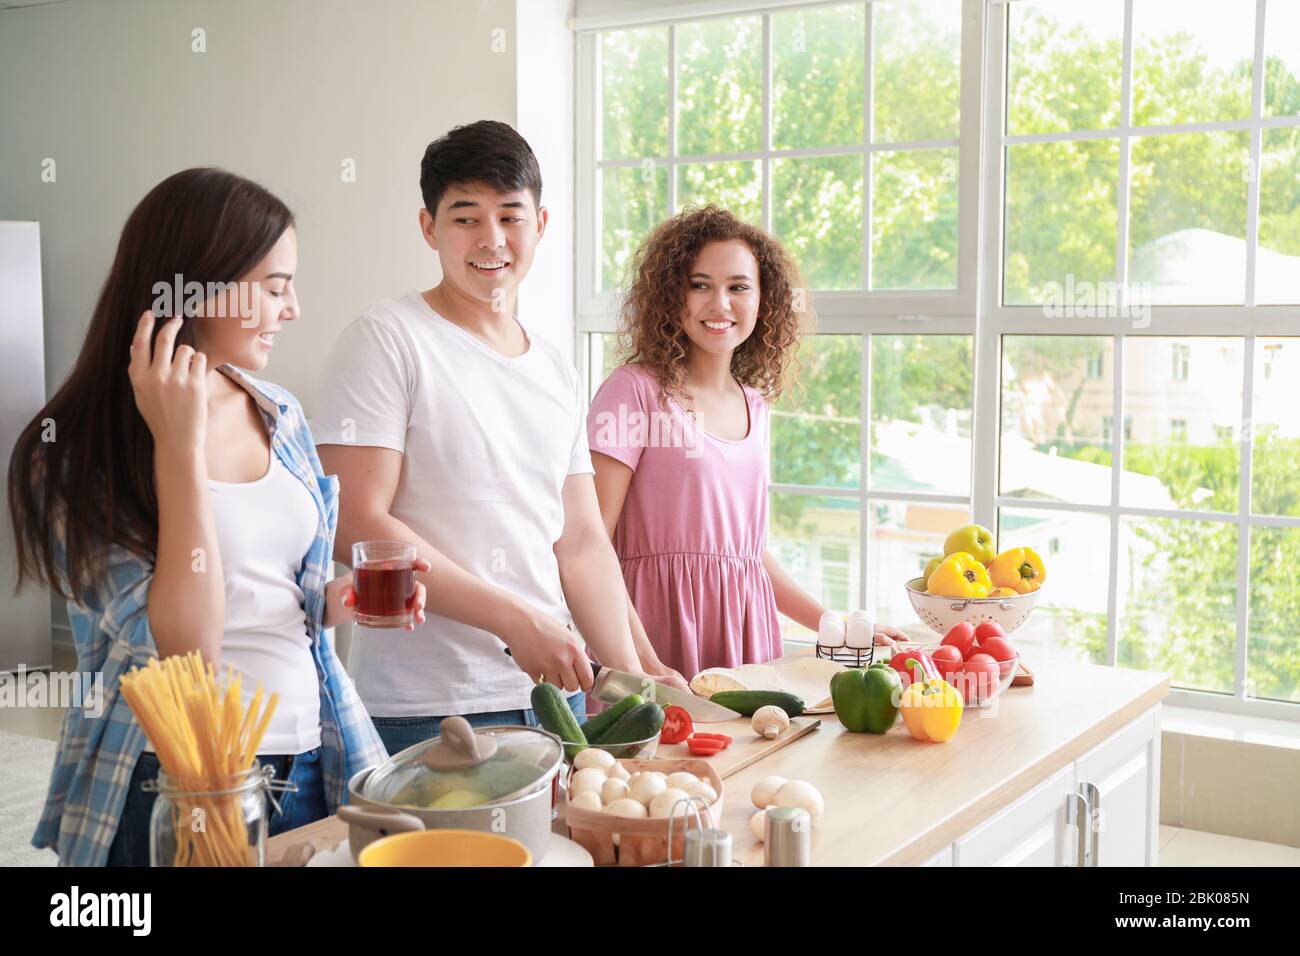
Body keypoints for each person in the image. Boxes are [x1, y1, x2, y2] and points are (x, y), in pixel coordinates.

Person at [7, 168, 422, 865]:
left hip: (311, 753)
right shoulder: (79, 454)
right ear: (195, 283)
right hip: (170, 779)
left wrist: (338, 600)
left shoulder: (278, 412)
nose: (291, 309)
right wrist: (178, 444)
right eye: (274, 286)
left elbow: (271, 592)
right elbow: (185, 655)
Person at [314, 121, 685, 757]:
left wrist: (634, 680)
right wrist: (518, 622)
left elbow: (582, 541)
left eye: (511, 216)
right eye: (466, 217)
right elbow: (355, 519)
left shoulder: (554, 367)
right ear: (429, 228)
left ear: (540, 223)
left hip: (556, 703)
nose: (492, 240)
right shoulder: (386, 337)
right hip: (427, 707)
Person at [586, 205, 903, 679]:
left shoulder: (755, 405)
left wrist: (832, 625)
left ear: (763, 301)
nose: (720, 303)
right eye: (700, 285)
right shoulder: (632, 391)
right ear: (672, 296)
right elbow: (590, 544)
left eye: (738, 287)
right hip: (649, 635)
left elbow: (746, 555)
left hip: (746, 633)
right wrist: (642, 663)